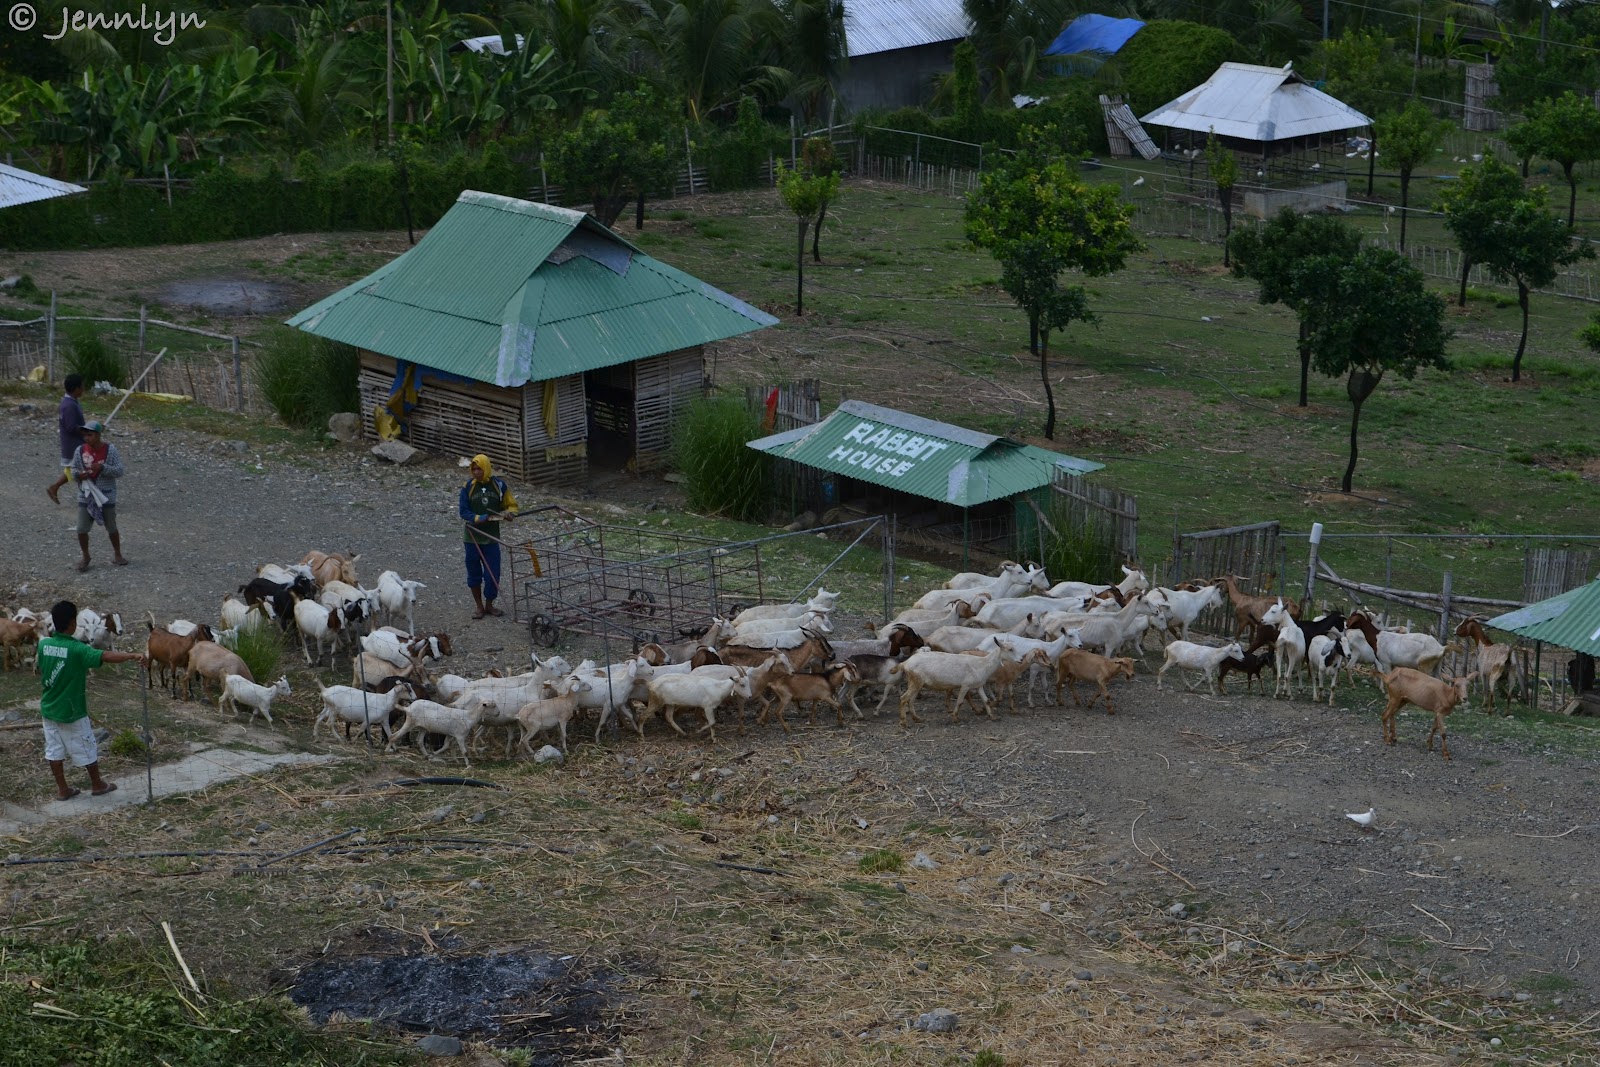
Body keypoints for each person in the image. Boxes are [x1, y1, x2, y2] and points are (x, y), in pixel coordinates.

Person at [38, 600, 147, 801]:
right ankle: (97, 784)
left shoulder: (44, 644)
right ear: (72, 624)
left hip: (48, 707)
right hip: (72, 709)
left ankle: (63, 789)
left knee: (54, 750)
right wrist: (132, 655)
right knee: (87, 745)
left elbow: (41, 668)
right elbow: (104, 655)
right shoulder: (78, 649)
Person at [458, 453, 518, 619]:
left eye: (480, 468)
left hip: (491, 538)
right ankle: (479, 606)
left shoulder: (499, 485)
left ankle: (489, 604)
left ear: (487, 468)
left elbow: (511, 505)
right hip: (472, 537)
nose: (477, 472)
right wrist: (478, 518)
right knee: (474, 573)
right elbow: (463, 511)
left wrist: (510, 514)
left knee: (493, 573)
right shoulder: (468, 486)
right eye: (474, 469)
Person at [70, 420, 128, 572]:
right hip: (86, 494)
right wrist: (79, 475)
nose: (87, 438)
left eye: (90, 435)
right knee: (81, 529)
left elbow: (119, 471)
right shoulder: (80, 450)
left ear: (98, 435)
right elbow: (73, 469)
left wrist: (103, 468)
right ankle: (86, 556)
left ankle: (117, 554)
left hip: (106, 494)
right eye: (85, 435)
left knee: (111, 527)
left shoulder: (111, 450)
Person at [46, 374, 86, 505]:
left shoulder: (71, 402)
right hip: (73, 445)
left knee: (72, 469)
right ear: (76, 389)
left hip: (74, 443)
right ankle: (88, 497)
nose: (83, 389)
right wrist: (89, 431)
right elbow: (71, 427)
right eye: (82, 387)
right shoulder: (69, 405)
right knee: (82, 470)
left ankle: (54, 487)